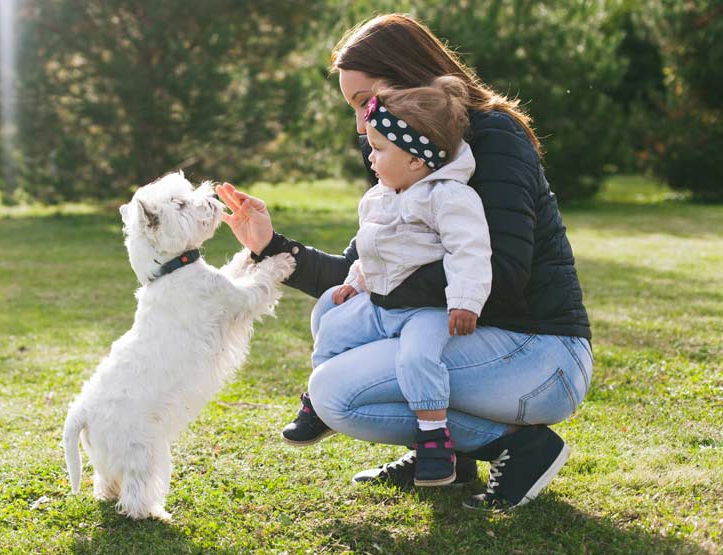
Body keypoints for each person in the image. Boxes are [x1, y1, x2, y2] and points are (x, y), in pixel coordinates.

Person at [215, 13, 593, 512]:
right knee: (341, 334)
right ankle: (445, 457)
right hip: (474, 344)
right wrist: (269, 244)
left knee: (335, 393)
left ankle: (521, 446)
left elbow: (501, 272)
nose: (360, 125)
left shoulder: (494, 137)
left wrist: (377, 287)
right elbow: (358, 271)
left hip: (540, 355)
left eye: (364, 103)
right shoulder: (402, 157)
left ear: (407, 76)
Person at [280, 76, 492, 489]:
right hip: (380, 305)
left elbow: (470, 250)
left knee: (418, 360)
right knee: (333, 323)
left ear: (416, 159)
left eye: (379, 149)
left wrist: (465, 301)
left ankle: (434, 439)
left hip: (424, 312)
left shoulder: (448, 196)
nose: (370, 157)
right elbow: (372, 248)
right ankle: (318, 404)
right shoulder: (378, 196)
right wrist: (354, 282)